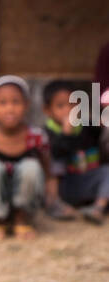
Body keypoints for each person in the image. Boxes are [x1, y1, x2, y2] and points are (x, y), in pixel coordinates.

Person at [0, 75, 50, 239]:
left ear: (26, 105)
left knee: (31, 167)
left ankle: (21, 219)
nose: (10, 109)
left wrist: (50, 192)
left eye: (16, 102)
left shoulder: (37, 137)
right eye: (3, 103)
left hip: (25, 193)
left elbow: (45, 167)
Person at [43, 78, 109, 224]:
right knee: (55, 161)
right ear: (47, 110)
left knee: (107, 172)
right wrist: (67, 134)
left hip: (89, 181)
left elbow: (103, 134)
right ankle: (54, 203)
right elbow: (56, 154)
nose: (68, 110)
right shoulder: (46, 133)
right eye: (61, 106)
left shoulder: (88, 126)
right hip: (64, 186)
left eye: (73, 104)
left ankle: (98, 208)